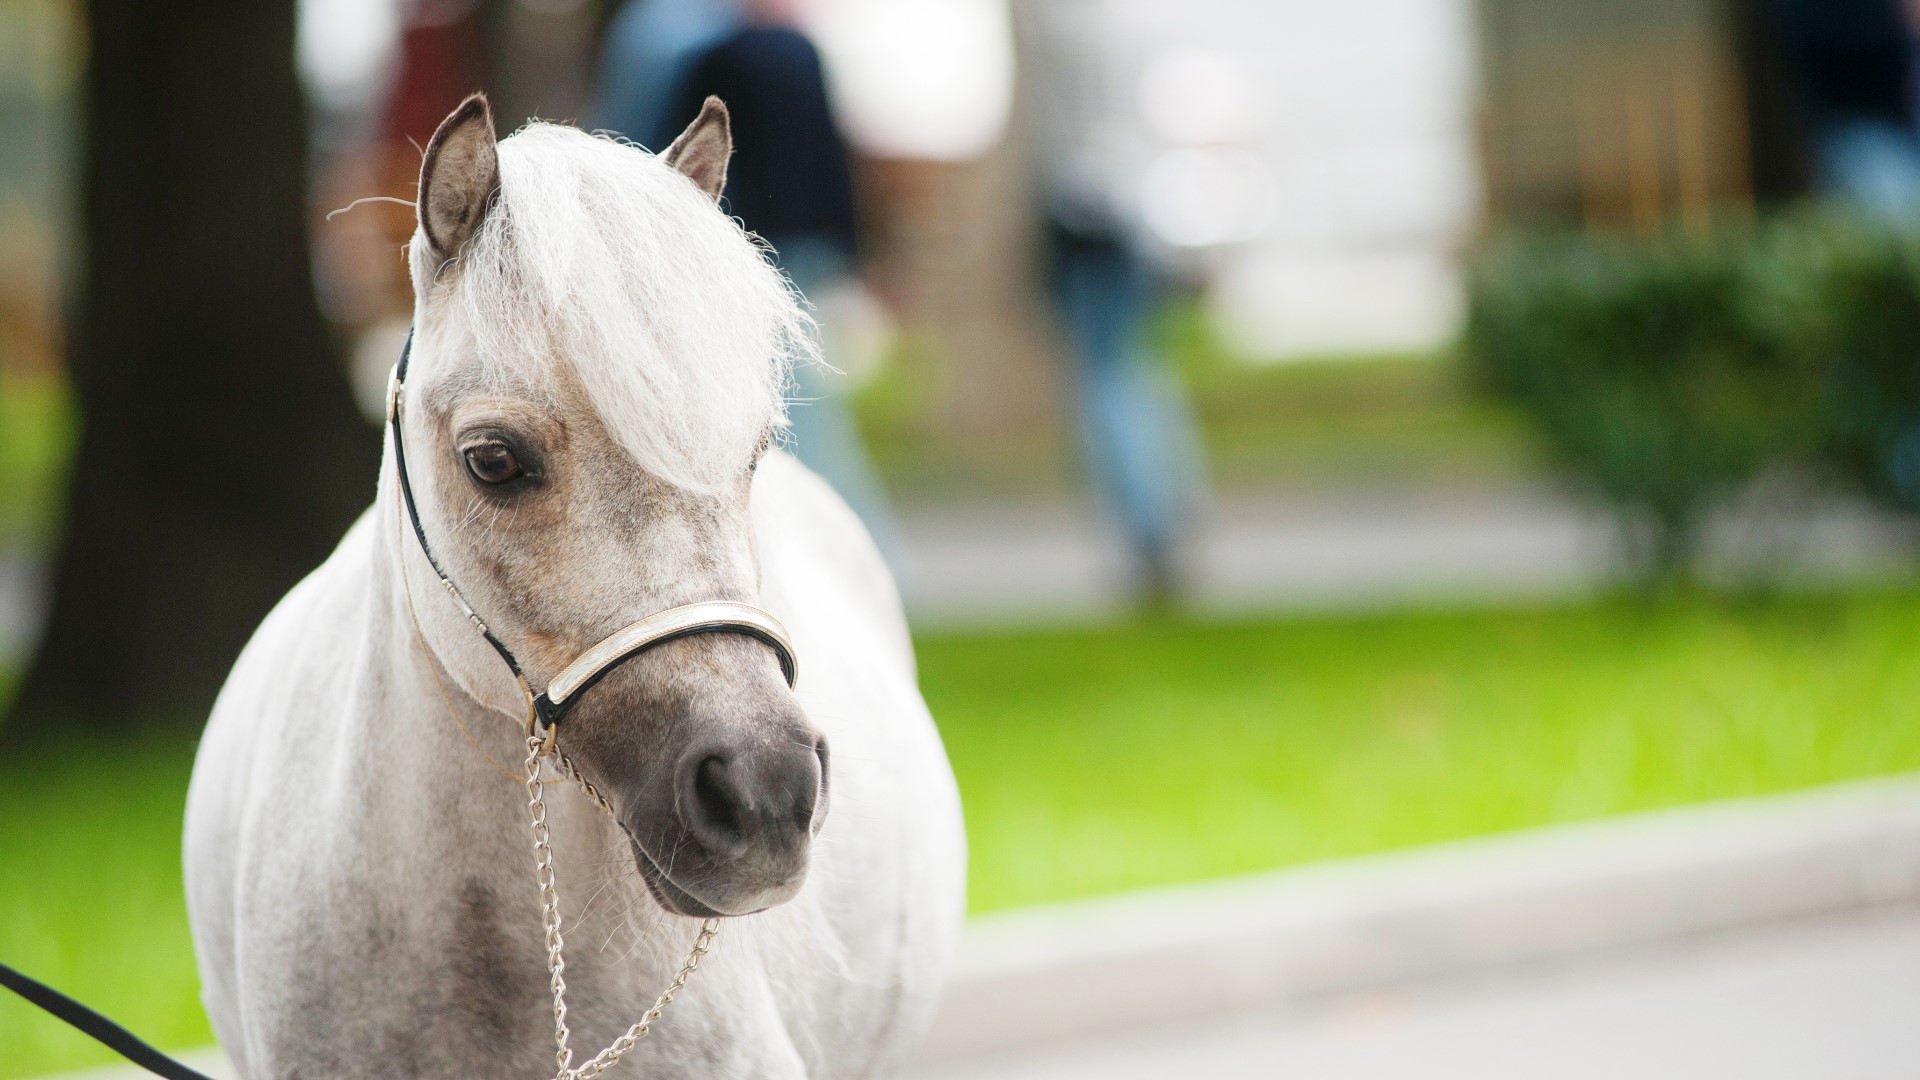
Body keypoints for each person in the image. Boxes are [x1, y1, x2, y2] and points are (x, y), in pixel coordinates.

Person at [597, 0, 905, 571]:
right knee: (799, 412)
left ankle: (848, 557)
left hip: (750, 250)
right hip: (763, 250)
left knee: (795, 415)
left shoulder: (680, 39)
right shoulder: (719, 45)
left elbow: (641, 141)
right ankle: (850, 555)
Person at [1022, 0, 1210, 603]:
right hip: (1135, 215)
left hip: (1092, 215)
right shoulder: (1142, 24)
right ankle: (1169, 515)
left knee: (1106, 381)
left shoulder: (1063, 25)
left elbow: (1064, 139)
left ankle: (1149, 532)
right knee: (1136, 369)